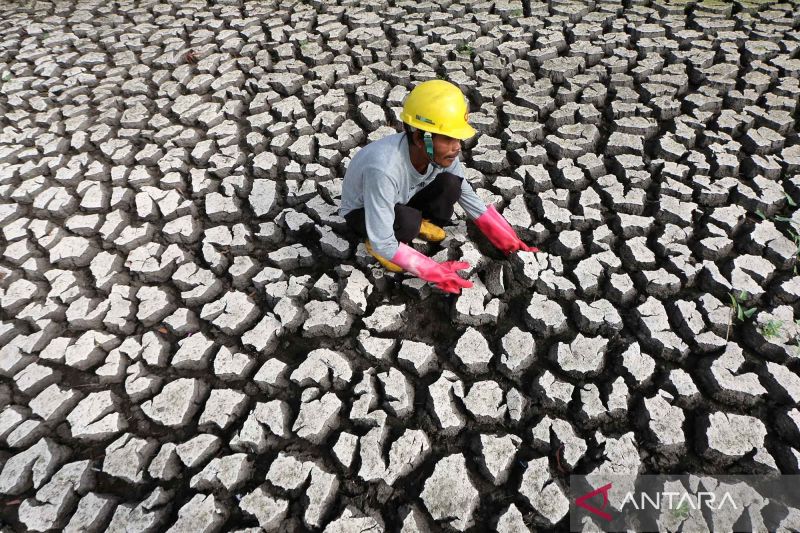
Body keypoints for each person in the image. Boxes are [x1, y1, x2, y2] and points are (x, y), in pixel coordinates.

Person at [339, 79, 538, 294]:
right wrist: (433, 270)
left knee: (452, 185)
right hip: (362, 212)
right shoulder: (384, 169)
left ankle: (413, 223)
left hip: (402, 198)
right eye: (448, 139)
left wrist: (508, 240)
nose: (456, 148)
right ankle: (374, 238)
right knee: (407, 223)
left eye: (458, 139)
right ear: (419, 137)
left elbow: (468, 196)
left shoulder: (441, 156)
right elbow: (385, 244)